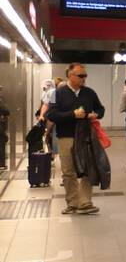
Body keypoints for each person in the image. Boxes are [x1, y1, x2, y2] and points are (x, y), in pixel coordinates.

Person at [44, 63, 105, 215]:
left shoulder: (90, 92)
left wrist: (96, 114)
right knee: (68, 171)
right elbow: (51, 115)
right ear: (70, 76)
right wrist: (73, 115)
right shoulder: (57, 94)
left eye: (85, 75)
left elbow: (100, 108)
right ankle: (72, 203)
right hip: (66, 136)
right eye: (81, 75)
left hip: (86, 136)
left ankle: (85, 202)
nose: (84, 78)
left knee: (87, 169)